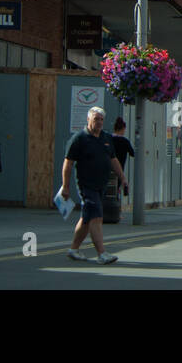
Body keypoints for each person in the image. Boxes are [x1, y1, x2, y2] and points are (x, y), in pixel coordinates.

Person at [62, 106, 127, 264]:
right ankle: (101, 253)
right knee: (97, 217)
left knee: (87, 218)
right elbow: (68, 163)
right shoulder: (79, 138)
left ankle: (74, 249)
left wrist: (123, 178)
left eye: (101, 119)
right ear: (88, 120)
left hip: (101, 185)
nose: (99, 122)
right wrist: (65, 186)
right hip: (86, 185)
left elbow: (113, 159)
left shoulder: (105, 138)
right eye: (95, 119)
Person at [111, 117, 135, 197]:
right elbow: (132, 153)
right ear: (123, 129)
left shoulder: (108, 139)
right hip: (120, 168)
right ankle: (116, 199)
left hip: (107, 167)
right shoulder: (125, 141)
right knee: (117, 186)